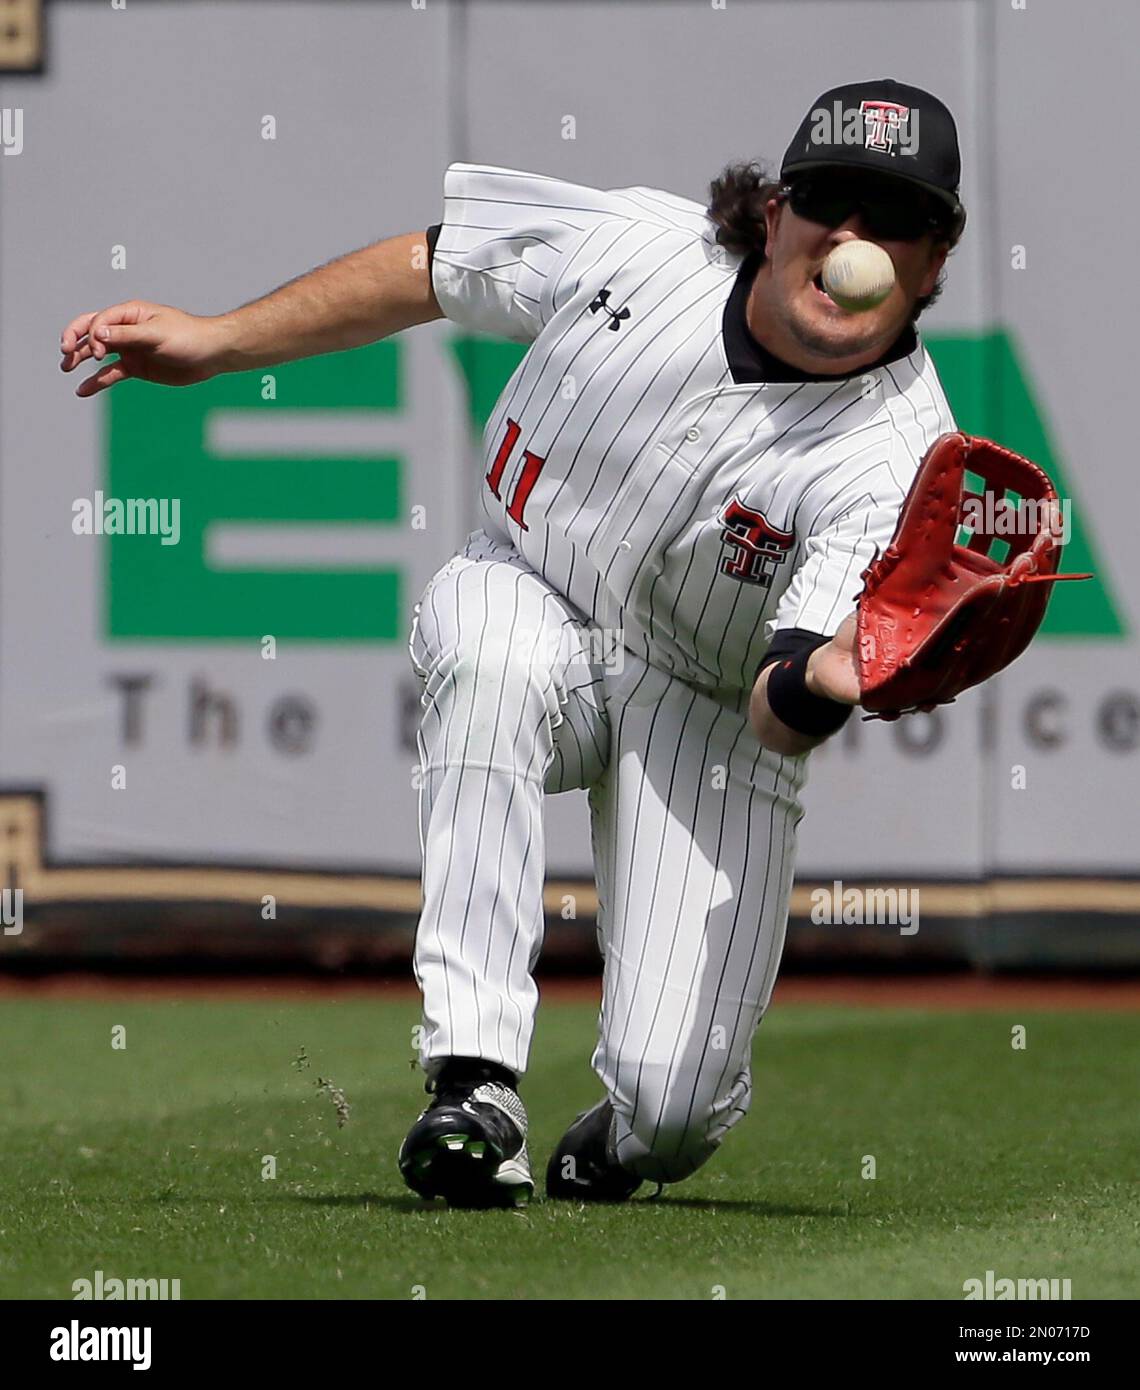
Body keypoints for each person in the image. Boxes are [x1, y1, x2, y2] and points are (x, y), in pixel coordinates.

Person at [60, 79, 966, 1208]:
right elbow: (432, 268)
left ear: (933, 264)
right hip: (532, 592)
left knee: (674, 1105)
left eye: (894, 221)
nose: (853, 243)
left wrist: (831, 678)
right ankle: (475, 1082)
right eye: (832, 203)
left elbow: (779, 704)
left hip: (713, 702)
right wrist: (219, 340)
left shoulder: (897, 459)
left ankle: (625, 1141)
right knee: (486, 650)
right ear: (774, 214)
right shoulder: (640, 248)